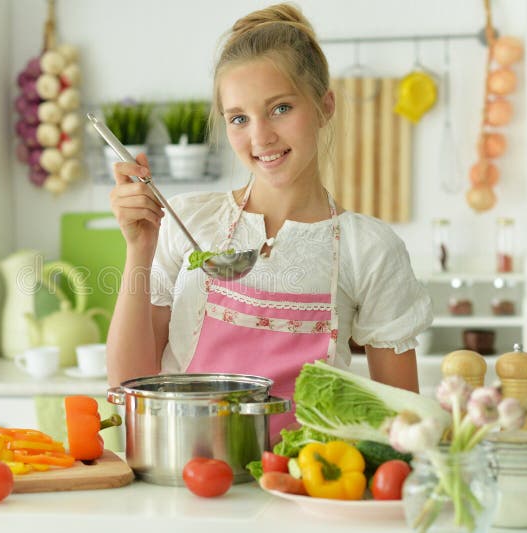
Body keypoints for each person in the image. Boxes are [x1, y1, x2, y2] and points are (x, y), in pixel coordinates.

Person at [105, 2, 432, 435]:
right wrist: (139, 248)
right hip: (188, 478)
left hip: (302, 484)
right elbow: (129, 386)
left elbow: (403, 428)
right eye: (239, 118)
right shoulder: (188, 222)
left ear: (324, 105)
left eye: (280, 108)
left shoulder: (367, 249)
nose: (260, 136)